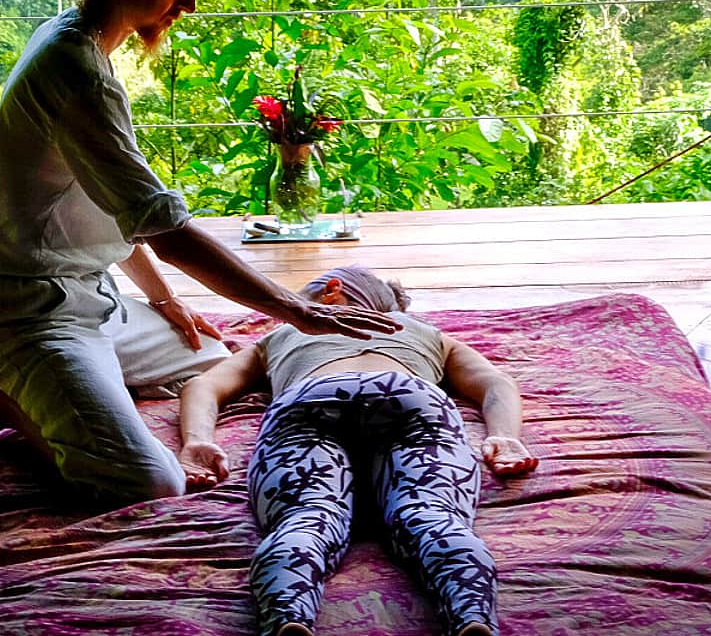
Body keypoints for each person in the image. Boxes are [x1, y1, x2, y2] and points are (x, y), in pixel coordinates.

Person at [0, 0, 398, 507]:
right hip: (28, 314)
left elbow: (115, 203)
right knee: (149, 482)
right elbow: (163, 225)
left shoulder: (81, 41)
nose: (189, 1)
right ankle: (5, 393)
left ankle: (39, 389)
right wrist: (294, 308)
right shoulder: (72, 68)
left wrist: (163, 299)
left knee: (217, 359)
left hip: (91, 300)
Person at [178, 265, 539, 636]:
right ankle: (472, 617)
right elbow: (494, 383)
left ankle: (288, 617)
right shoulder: (427, 334)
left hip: (311, 398)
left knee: (306, 516)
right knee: (432, 514)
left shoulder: (283, 332)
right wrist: (505, 435)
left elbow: (204, 385)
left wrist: (197, 439)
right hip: (407, 395)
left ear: (331, 291)